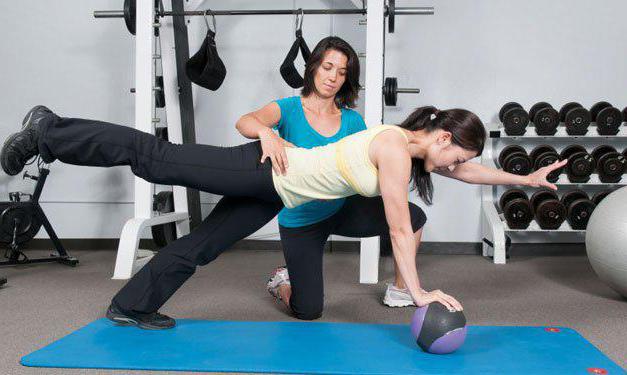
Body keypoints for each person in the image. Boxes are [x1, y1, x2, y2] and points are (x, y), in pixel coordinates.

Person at [1, 99, 565, 326]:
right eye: (456, 156)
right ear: (441, 137)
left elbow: (468, 173)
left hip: (278, 193)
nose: (454, 168)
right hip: (263, 170)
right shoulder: (394, 148)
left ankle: (130, 306)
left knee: (202, 247)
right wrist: (417, 292)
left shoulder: (420, 150)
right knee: (155, 158)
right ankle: (50, 131)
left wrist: (525, 177)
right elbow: (397, 224)